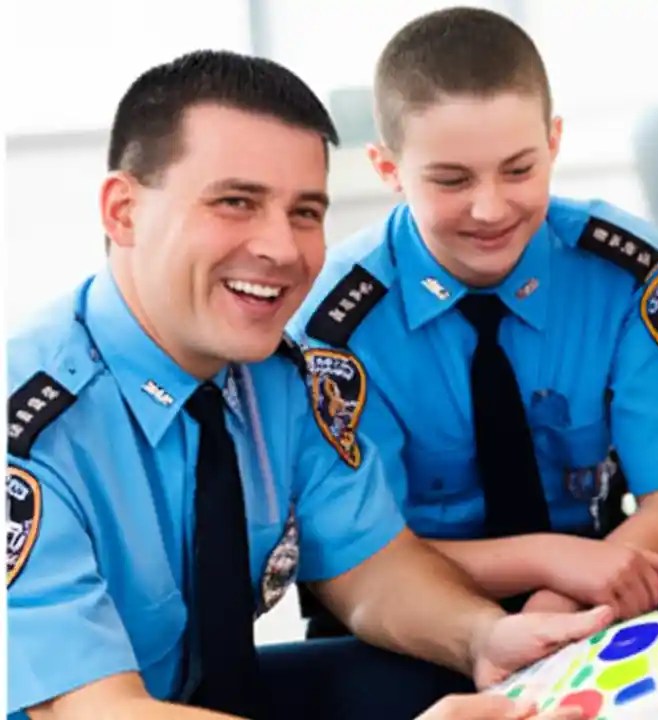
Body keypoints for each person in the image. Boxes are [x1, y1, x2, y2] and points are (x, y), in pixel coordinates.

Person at [5, 50, 613, 720]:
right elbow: (88, 710)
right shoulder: (28, 428)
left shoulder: (284, 380)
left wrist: (484, 638)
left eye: (304, 212)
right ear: (123, 212)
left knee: (445, 682)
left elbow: (372, 569)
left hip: (195, 695)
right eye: (235, 202)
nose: (282, 248)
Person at [290, 7, 658, 635]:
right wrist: (551, 564)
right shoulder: (338, 325)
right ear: (387, 169)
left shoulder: (623, 271)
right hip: (404, 613)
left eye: (519, 169)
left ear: (554, 141)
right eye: (452, 180)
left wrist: (566, 604)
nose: (491, 208)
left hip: (606, 584)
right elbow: (362, 557)